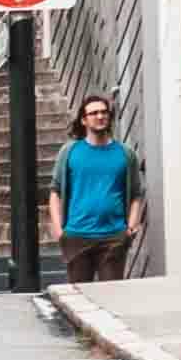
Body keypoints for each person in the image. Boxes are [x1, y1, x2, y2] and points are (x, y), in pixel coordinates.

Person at [52, 94, 142, 281]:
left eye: (104, 112)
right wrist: (60, 230)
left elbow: (135, 194)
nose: (100, 116)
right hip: (76, 236)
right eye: (94, 113)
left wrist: (131, 228)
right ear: (84, 120)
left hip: (114, 237)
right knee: (79, 296)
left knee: (112, 296)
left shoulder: (125, 154)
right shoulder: (69, 152)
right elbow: (56, 192)